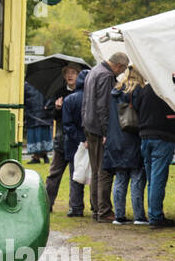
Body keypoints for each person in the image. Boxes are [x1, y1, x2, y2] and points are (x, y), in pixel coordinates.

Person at [81, 52, 129, 221]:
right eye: (122, 70)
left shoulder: (93, 71)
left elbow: (86, 102)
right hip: (98, 128)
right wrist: (106, 131)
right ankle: (104, 211)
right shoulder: (107, 75)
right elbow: (104, 105)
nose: (121, 74)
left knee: (95, 171)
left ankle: (96, 209)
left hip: (88, 125)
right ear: (119, 66)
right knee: (104, 171)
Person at [128, 77, 175, 228]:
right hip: (162, 137)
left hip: (145, 136)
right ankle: (155, 217)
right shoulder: (166, 90)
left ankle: (153, 214)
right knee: (158, 179)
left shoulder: (144, 90)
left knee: (151, 179)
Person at [105, 69, 147, 225]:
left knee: (120, 179)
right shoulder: (137, 90)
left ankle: (119, 216)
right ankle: (139, 216)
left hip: (115, 139)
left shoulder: (115, 90)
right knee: (137, 177)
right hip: (132, 138)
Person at [44, 62, 83, 210]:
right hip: (61, 139)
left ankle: (75, 207)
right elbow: (53, 116)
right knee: (54, 173)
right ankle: (46, 204)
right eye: (67, 73)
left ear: (79, 75)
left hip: (77, 139)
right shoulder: (59, 92)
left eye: (73, 72)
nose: (70, 75)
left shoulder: (83, 92)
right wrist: (58, 108)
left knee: (76, 174)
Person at [61, 68, 88, 217]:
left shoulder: (70, 99)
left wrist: (79, 138)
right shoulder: (94, 98)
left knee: (75, 175)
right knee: (95, 175)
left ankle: (76, 207)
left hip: (73, 142)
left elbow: (67, 124)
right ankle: (97, 206)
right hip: (92, 141)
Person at [24, 79, 53, 163]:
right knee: (43, 136)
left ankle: (37, 157)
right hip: (44, 115)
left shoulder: (26, 85)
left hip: (33, 114)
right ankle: (44, 155)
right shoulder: (47, 83)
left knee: (35, 136)